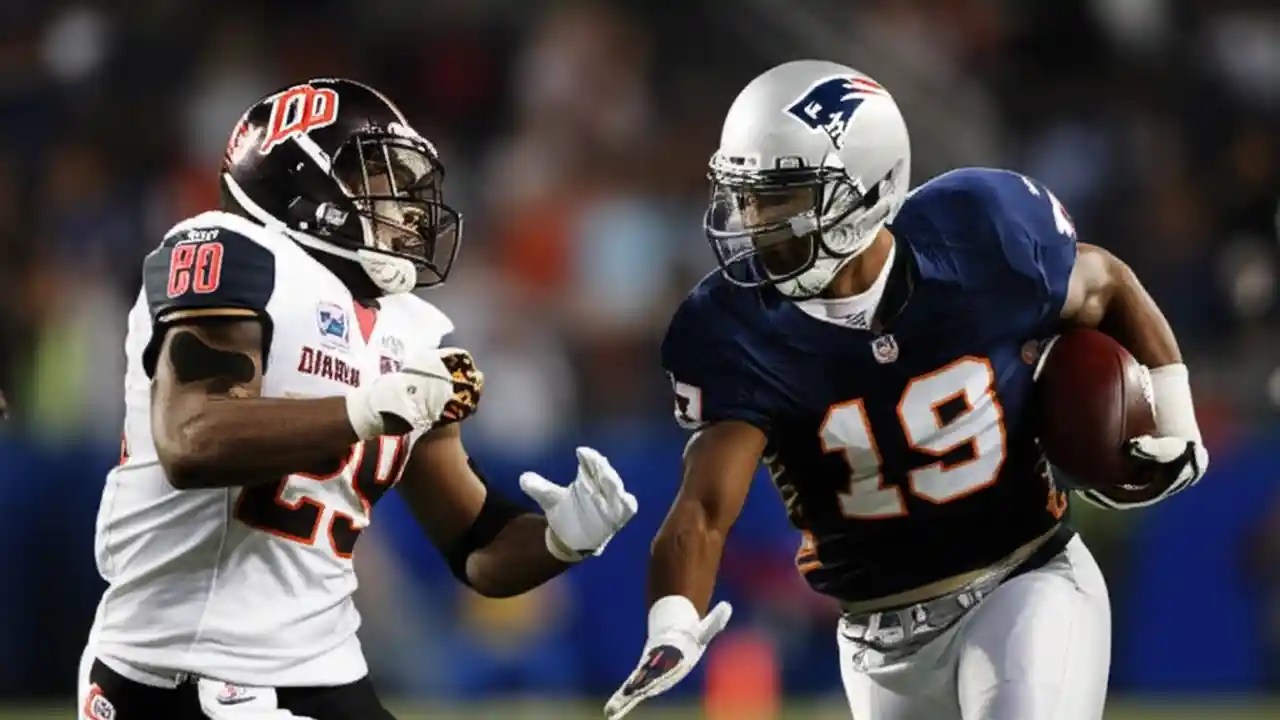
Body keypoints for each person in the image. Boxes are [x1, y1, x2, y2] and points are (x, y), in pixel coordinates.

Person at [605, 60, 1208, 720]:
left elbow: (1107, 283)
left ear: (867, 187)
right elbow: (702, 508)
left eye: (782, 196)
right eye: (746, 195)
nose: (754, 220)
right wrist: (672, 624)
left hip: (1025, 581)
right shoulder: (734, 328)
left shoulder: (983, 234)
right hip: (877, 644)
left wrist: (1175, 412)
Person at [77, 78, 637, 720]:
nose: (406, 208)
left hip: (324, 666)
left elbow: (477, 549)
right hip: (182, 671)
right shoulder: (232, 253)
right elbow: (192, 439)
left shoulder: (409, 329)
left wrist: (564, 538)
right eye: (380, 180)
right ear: (300, 180)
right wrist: (367, 409)